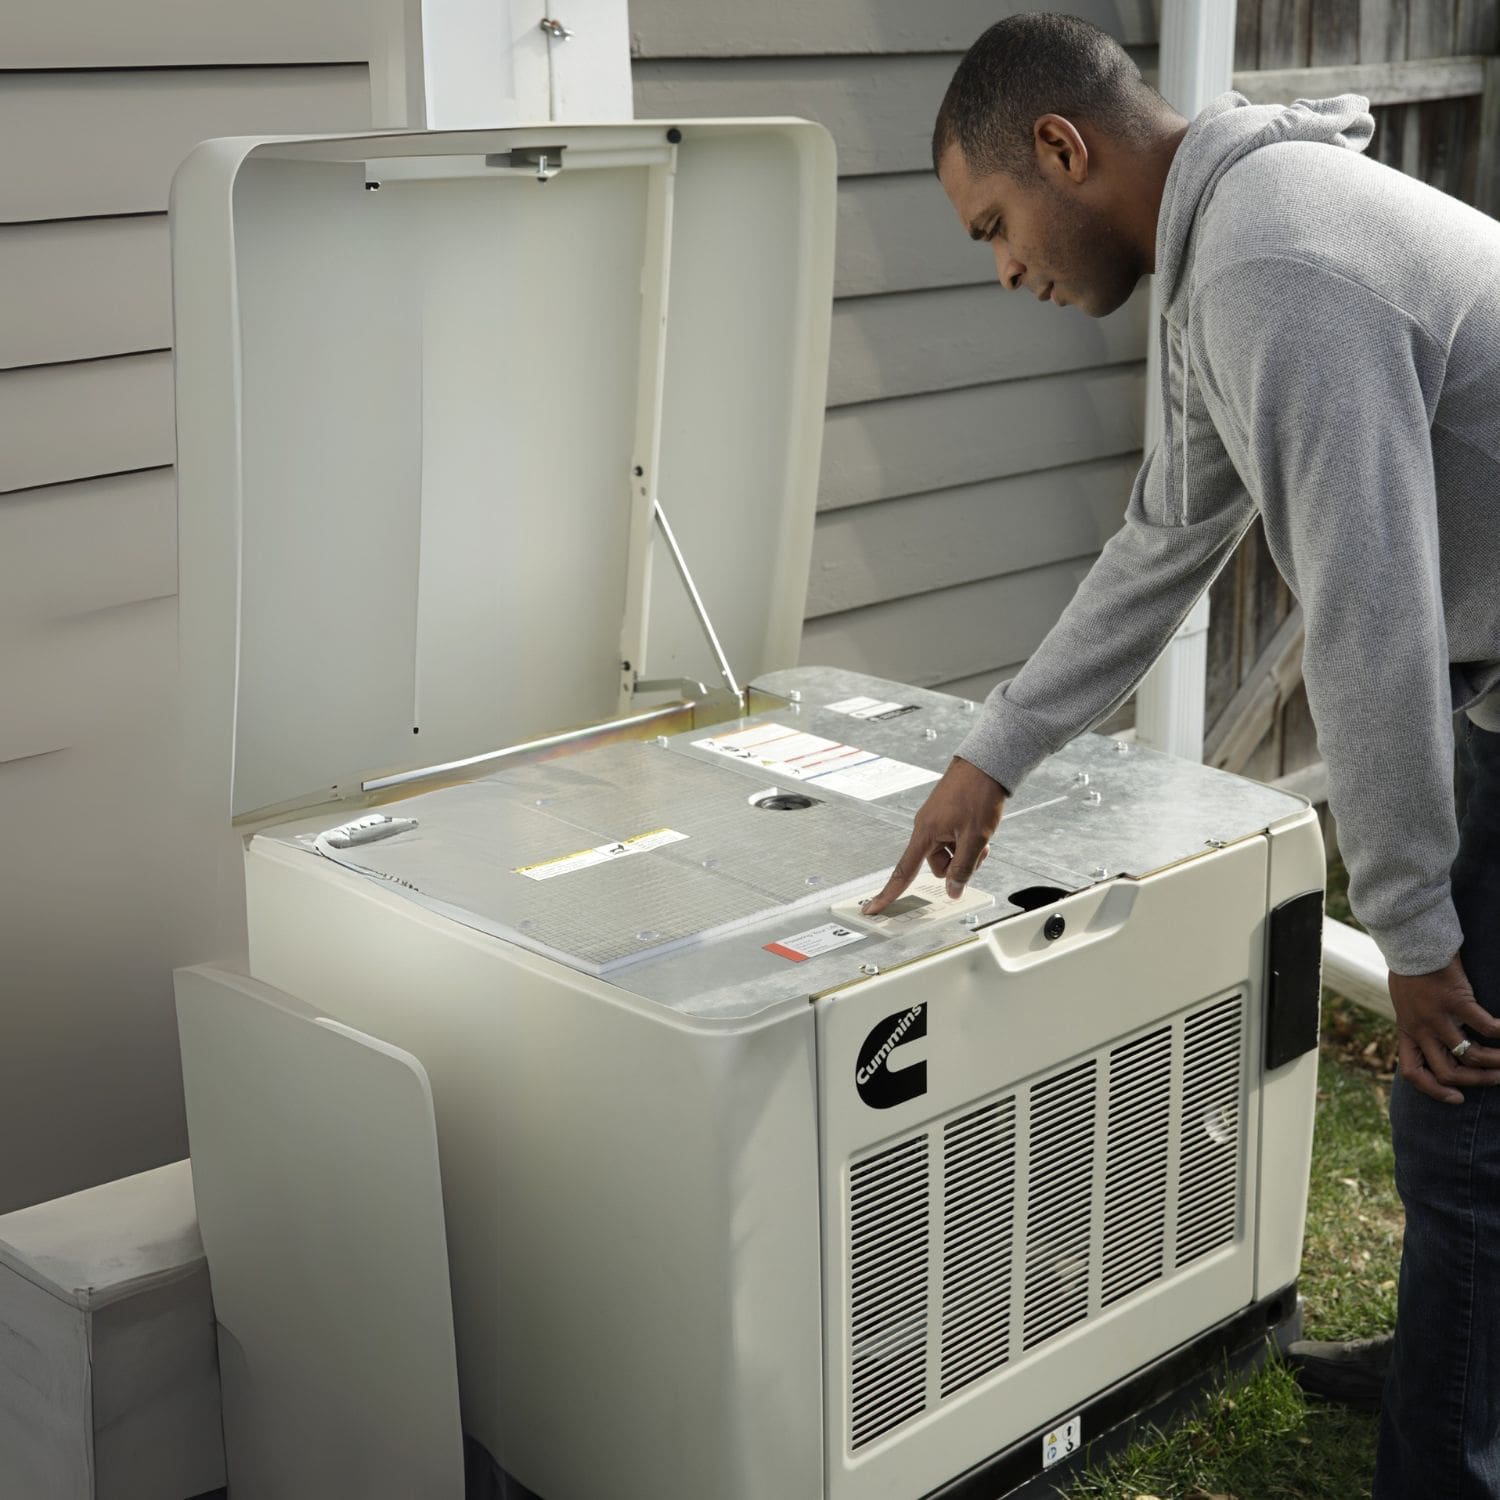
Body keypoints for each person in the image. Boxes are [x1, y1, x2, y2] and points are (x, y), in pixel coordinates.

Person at [860, 14, 1500, 1498]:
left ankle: (1447, 1453)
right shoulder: (1231, 249)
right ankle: (1448, 1366)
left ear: (1065, 151)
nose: (1006, 269)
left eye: (997, 226)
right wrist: (993, 758)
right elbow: (1165, 539)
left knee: (1462, 1106)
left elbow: (1372, 618)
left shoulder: (1277, 269)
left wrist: (1407, 927)